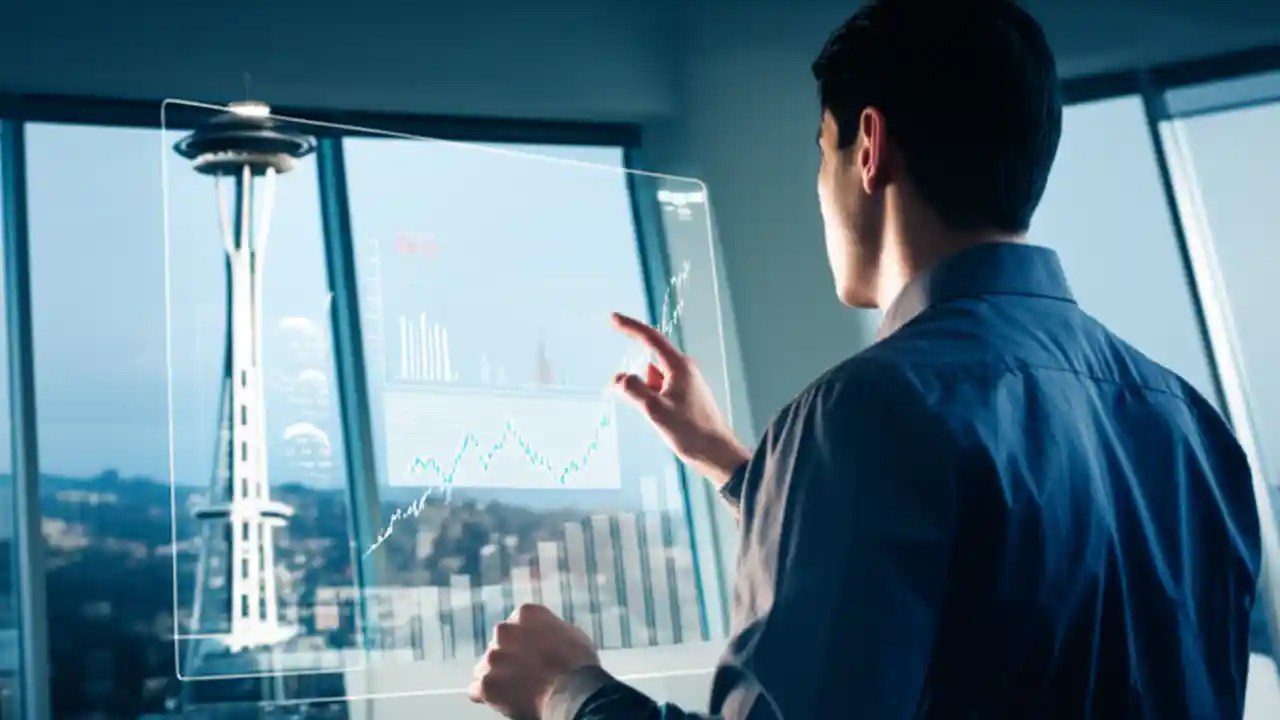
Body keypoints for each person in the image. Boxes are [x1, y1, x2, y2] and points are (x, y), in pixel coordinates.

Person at [468, 0, 1262, 717]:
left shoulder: (865, 412)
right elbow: (1000, 591)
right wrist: (739, 466)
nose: (820, 187)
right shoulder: (1188, 421)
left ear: (869, 147)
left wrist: (563, 690)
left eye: (822, 152)